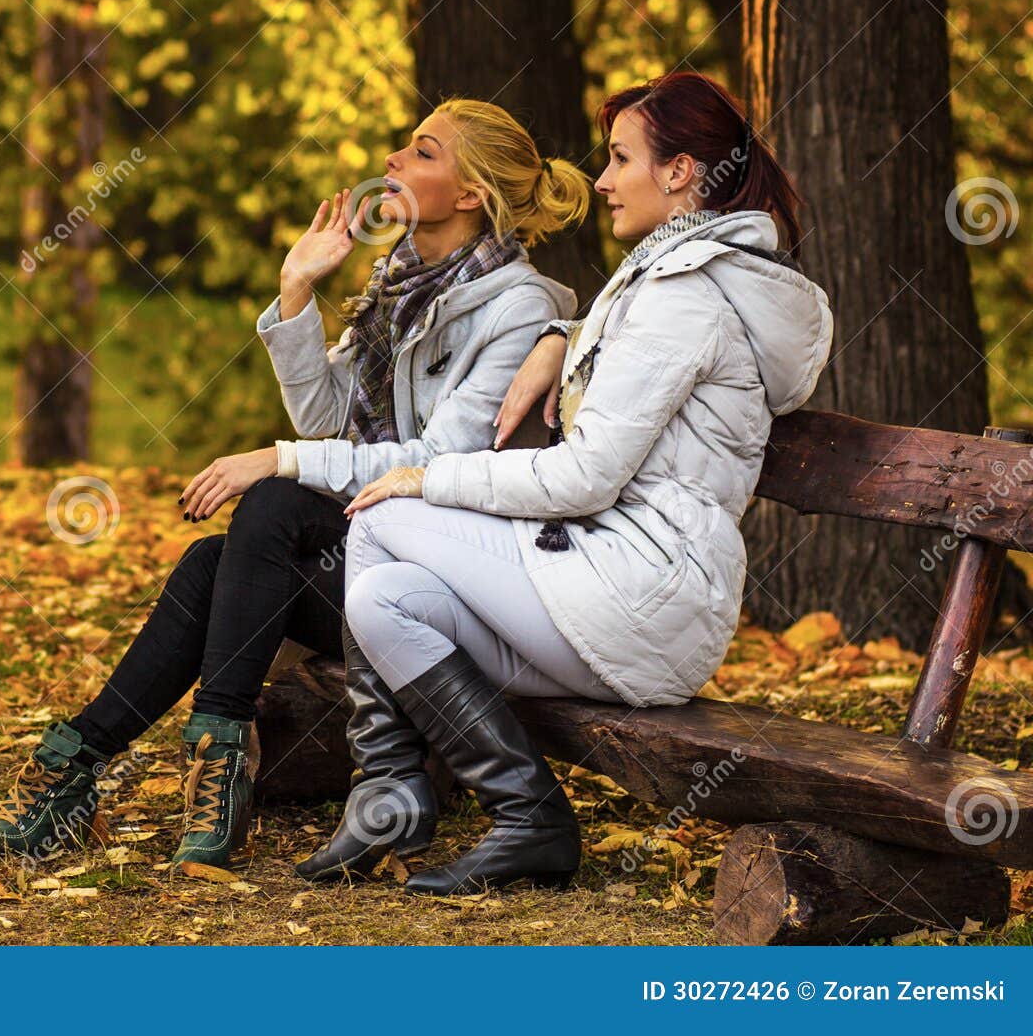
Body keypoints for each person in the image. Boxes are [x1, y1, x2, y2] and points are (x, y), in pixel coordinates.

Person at [0, 98, 592, 869]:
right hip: (377, 557)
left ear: (470, 196)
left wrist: (280, 458)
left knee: (276, 501)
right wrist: (296, 290)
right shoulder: (400, 282)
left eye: (422, 152)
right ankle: (85, 769)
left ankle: (199, 765)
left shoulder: (517, 309)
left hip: (448, 586)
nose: (393, 159)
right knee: (211, 562)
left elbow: (436, 462)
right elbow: (326, 413)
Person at [303, 71, 833, 895]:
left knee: (381, 519)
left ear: (681, 173)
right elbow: (620, 356)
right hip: (615, 587)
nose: (603, 179)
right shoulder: (670, 279)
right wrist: (560, 332)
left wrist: (430, 475)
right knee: (382, 599)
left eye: (622, 159)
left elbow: (585, 476)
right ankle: (513, 815)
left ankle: (420, 791)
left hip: (644, 593)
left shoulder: (686, 294)